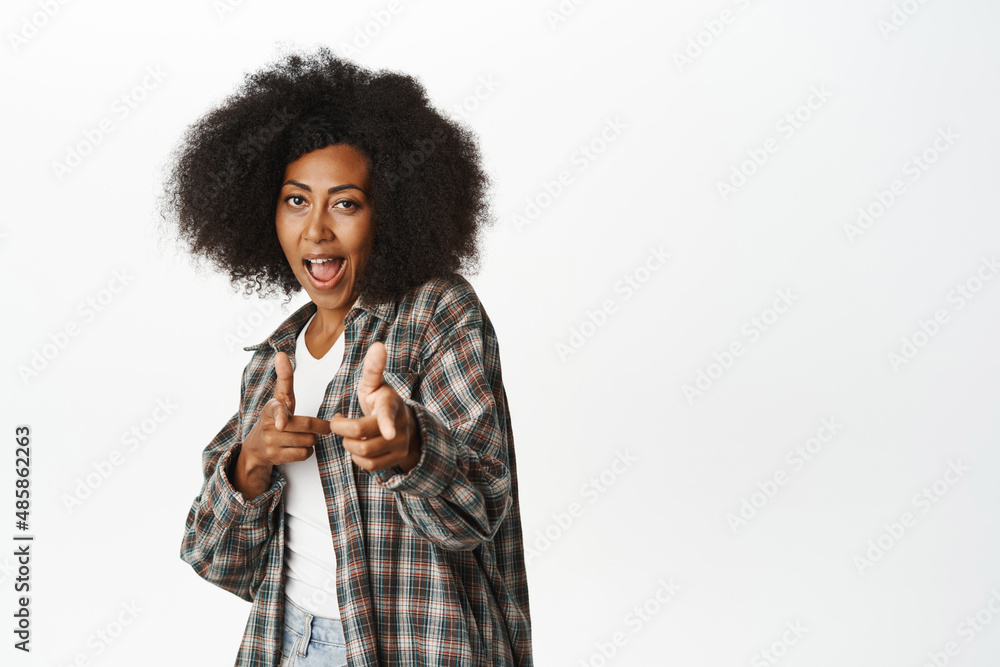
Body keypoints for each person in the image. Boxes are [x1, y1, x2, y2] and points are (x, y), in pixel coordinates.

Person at [160, 47, 533, 666]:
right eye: (297, 200)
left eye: (346, 202)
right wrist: (248, 466)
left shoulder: (436, 314)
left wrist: (414, 450)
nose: (317, 229)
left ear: (389, 212)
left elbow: (482, 514)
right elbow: (215, 560)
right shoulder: (272, 363)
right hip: (285, 643)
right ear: (266, 211)